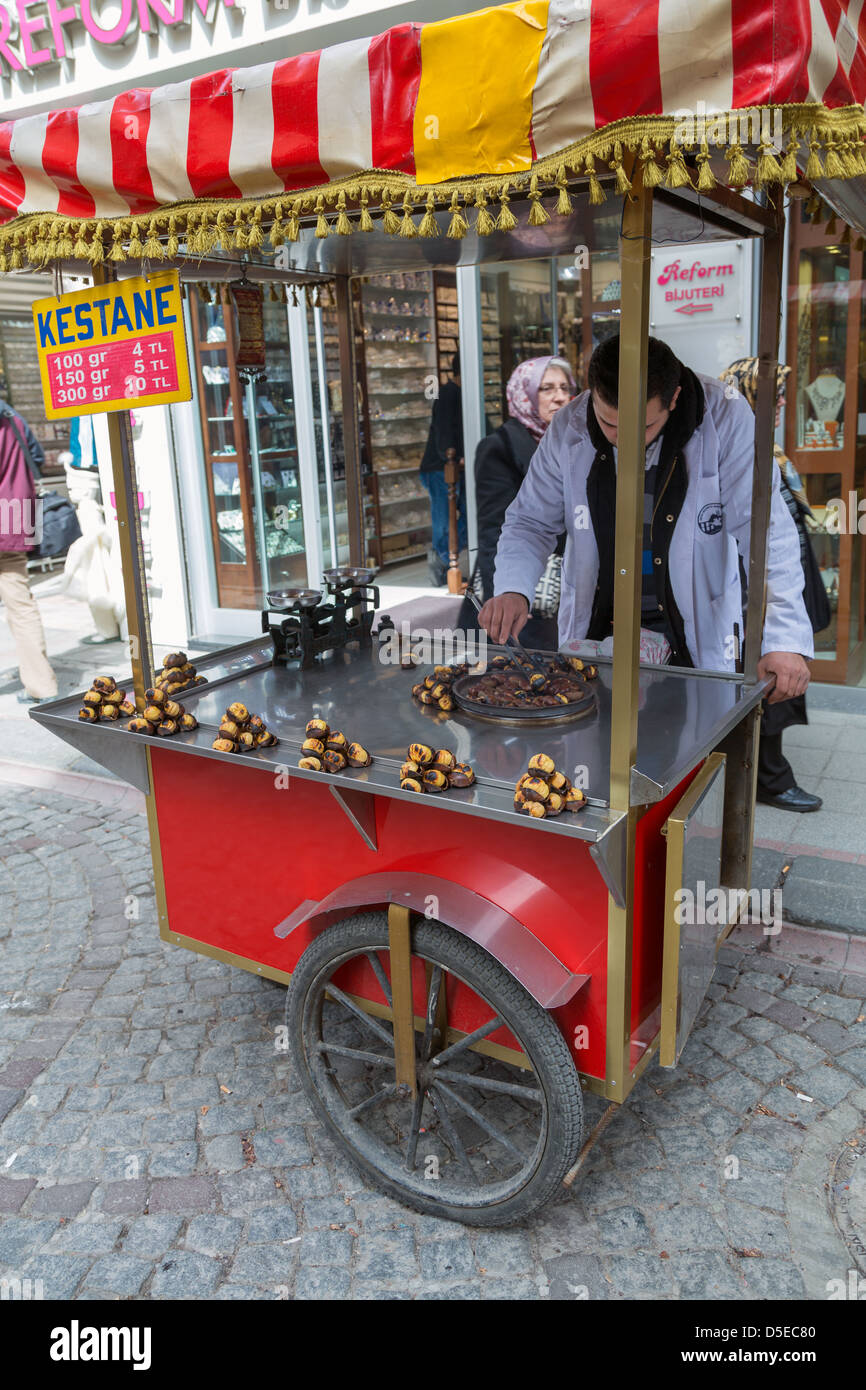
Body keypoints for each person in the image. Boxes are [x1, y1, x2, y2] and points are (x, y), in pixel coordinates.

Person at [480, 335, 813, 708]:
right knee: (592, 740)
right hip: (599, 624)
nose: (625, 442)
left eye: (644, 428)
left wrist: (784, 638)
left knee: (686, 744)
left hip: (691, 621)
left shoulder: (726, 416)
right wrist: (513, 587)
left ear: (673, 399)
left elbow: (765, 530)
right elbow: (529, 520)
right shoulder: (570, 424)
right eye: (609, 424)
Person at [719, 357, 828, 811]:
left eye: (782, 394)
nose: (781, 402)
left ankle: (768, 774)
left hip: (783, 583)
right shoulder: (738, 452)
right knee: (768, 683)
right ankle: (772, 779)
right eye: (771, 395)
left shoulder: (770, 450)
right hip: (752, 594)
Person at [466, 355, 576, 648]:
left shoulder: (577, 443)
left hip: (567, 586)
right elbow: (495, 527)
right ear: (524, 394)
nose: (560, 397)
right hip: (525, 585)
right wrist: (501, 596)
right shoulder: (500, 446)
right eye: (547, 389)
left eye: (565, 388)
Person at [0, 399, 58, 702]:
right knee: (21, 606)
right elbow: (37, 457)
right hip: (15, 518)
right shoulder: (12, 416)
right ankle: (42, 686)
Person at [420, 352, 466, 586]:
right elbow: (443, 433)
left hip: (456, 467)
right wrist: (454, 457)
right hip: (439, 467)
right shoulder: (448, 394)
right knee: (443, 519)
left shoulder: (464, 393)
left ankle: (444, 556)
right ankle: (443, 561)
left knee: (468, 513)